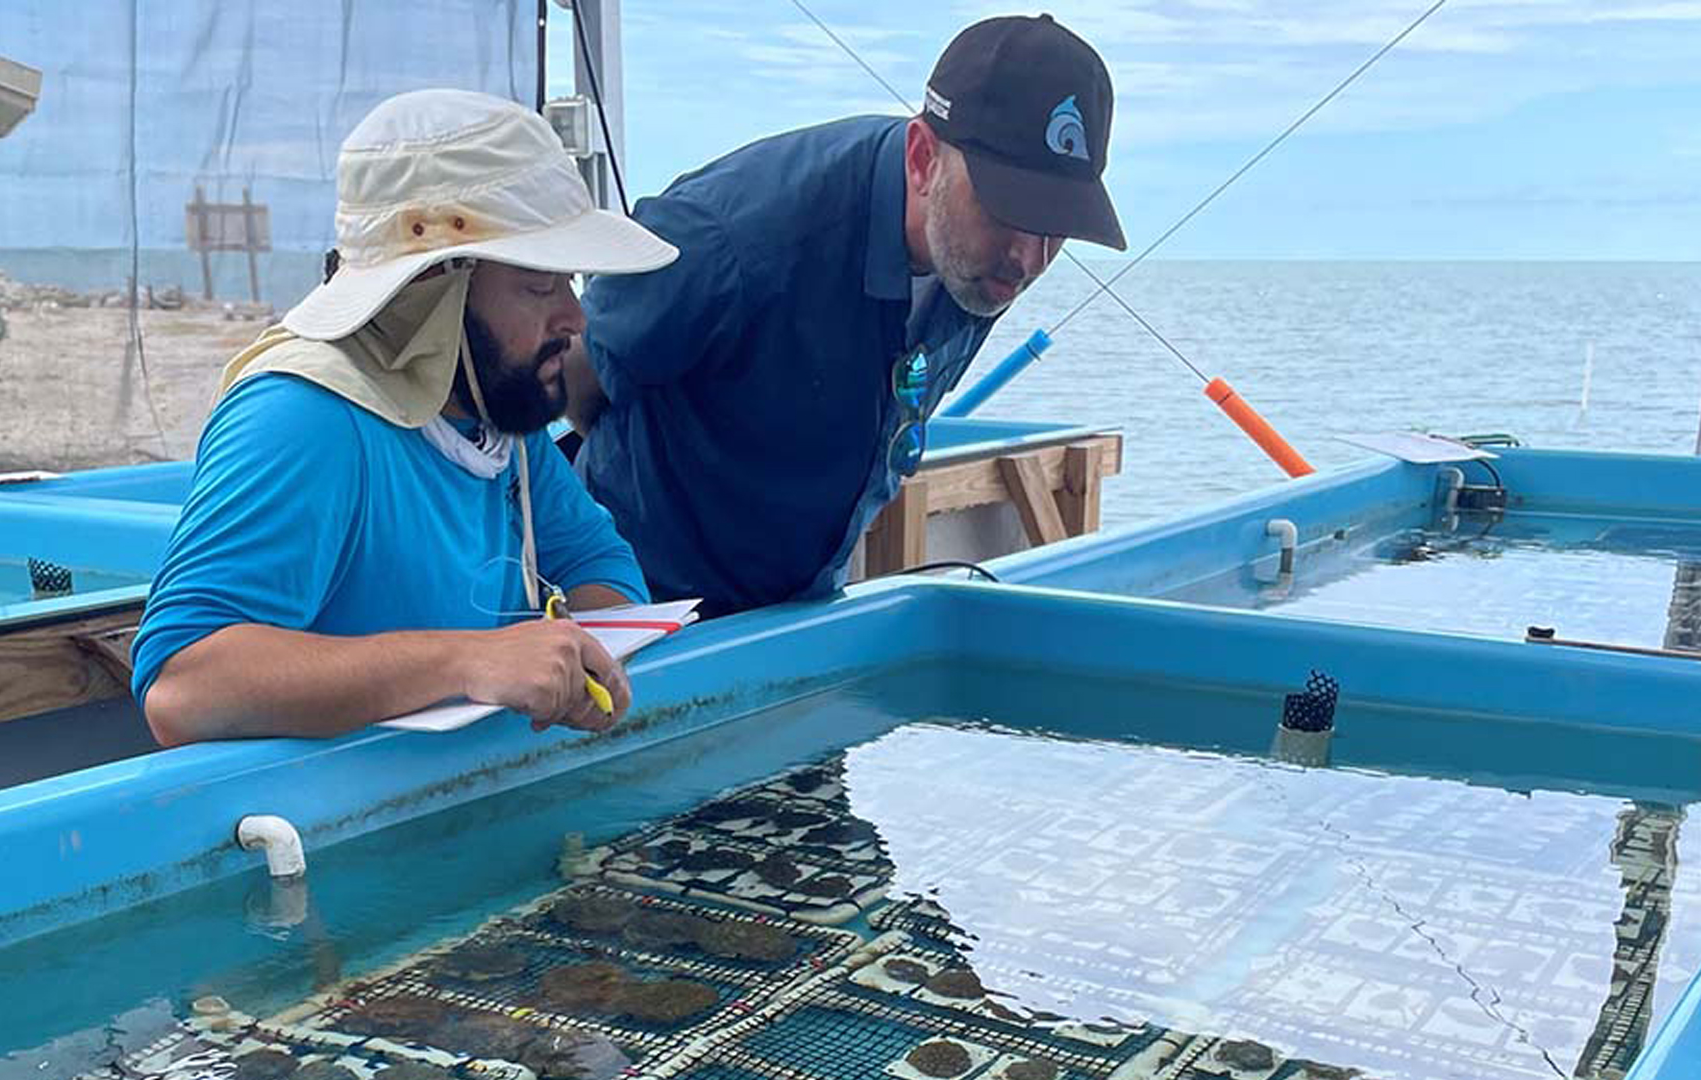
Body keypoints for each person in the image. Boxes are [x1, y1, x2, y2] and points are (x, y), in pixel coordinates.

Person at [130, 89, 678, 746]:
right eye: (540, 286)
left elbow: (596, 560)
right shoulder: (303, 416)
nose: (574, 317)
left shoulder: (493, 417)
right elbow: (184, 685)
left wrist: (582, 665)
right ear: (432, 287)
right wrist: (466, 661)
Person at [566, 14, 1125, 617]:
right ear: (923, 159)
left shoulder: (985, 262)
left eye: (1056, 225)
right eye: (1007, 211)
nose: (1029, 258)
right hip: (642, 608)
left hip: (803, 606)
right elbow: (575, 370)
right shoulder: (732, 235)